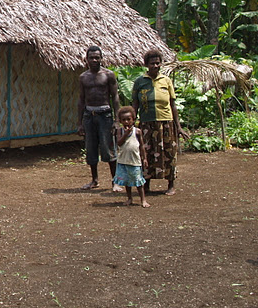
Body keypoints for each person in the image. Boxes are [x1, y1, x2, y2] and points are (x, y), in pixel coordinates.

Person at [131, 49, 189, 196]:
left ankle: (170, 184)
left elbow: (173, 104)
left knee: (169, 152)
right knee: (147, 153)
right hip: (146, 123)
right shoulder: (140, 82)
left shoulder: (166, 81)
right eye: (152, 63)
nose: (155, 66)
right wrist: (131, 124)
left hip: (166, 123)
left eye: (158, 63)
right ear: (146, 64)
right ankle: (146, 185)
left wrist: (178, 126)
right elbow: (135, 105)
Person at [77, 46, 120, 190]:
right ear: (86, 59)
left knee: (108, 149)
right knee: (90, 149)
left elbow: (115, 97)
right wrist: (80, 123)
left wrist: (117, 120)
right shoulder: (83, 77)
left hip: (105, 115)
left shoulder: (108, 75)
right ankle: (94, 180)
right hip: (89, 115)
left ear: (101, 59)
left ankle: (115, 181)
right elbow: (81, 100)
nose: (95, 60)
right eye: (92, 58)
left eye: (97, 57)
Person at [113, 106, 150, 207]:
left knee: (138, 181)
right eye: (123, 120)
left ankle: (143, 200)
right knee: (126, 181)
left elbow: (142, 146)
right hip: (123, 161)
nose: (126, 122)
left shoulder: (137, 131)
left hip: (134, 161)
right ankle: (129, 198)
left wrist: (144, 158)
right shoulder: (120, 131)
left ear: (133, 119)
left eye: (128, 119)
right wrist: (125, 134)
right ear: (120, 121)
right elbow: (119, 143)